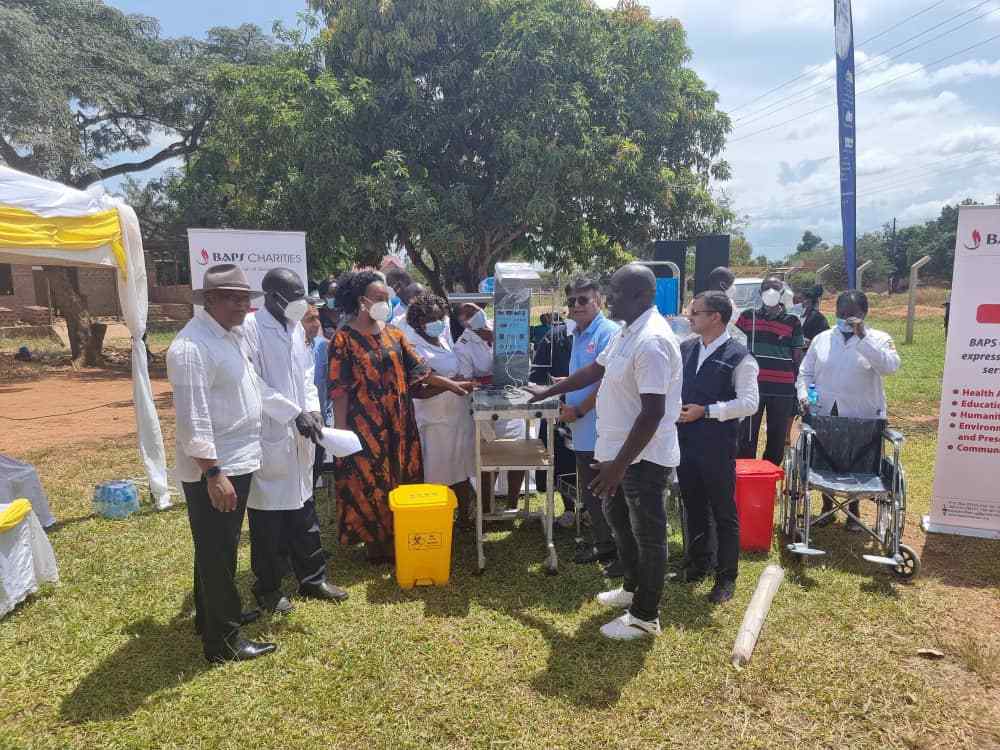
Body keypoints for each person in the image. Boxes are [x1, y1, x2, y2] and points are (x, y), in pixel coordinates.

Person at [529, 263, 682, 640]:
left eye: (615, 291)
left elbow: (653, 413)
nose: (608, 297)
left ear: (642, 296)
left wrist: (618, 467)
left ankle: (646, 616)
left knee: (648, 534)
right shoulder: (628, 332)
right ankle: (631, 587)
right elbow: (594, 372)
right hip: (613, 450)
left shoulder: (653, 341)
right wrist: (546, 392)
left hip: (642, 457)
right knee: (619, 522)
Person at [166, 264, 276, 663]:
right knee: (218, 551)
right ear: (209, 300)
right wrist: (213, 473)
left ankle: (212, 617)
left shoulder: (228, 336)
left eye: (245, 298)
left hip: (237, 460)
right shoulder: (191, 348)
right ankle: (224, 642)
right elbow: (192, 420)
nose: (241, 305)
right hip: (217, 468)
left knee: (216, 547)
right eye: (232, 297)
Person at [328, 271, 467, 563]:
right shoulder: (343, 339)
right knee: (368, 482)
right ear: (361, 301)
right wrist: (340, 433)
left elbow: (422, 373)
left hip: (400, 423)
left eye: (387, 299)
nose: (385, 303)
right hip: (363, 426)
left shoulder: (395, 334)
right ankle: (374, 545)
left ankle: (399, 535)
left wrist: (454, 385)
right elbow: (338, 390)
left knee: (400, 479)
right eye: (379, 299)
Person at [242, 269, 349, 613]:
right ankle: (269, 588)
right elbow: (252, 383)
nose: (302, 303)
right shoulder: (250, 330)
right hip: (271, 436)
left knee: (305, 511)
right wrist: (293, 413)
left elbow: (305, 376)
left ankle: (312, 579)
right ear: (273, 298)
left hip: (301, 435)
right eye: (295, 296)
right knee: (269, 519)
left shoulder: (296, 328)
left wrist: (313, 410)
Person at [676, 292, 760, 603]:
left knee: (723, 511)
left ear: (715, 317)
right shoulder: (685, 349)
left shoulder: (740, 357)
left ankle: (726, 577)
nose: (690, 317)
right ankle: (699, 563)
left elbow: (750, 403)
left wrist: (708, 411)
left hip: (716, 445)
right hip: (685, 442)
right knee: (693, 504)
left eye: (695, 313)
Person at [796, 290, 901, 531]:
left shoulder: (880, 339)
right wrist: (803, 394)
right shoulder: (822, 338)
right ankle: (826, 507)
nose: (845, 319)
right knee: (824, 458)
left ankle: (853, 511)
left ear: (864, 314)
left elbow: (890, 367)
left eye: (852, 314)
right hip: (824, 410)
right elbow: (806, 372)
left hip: (862, 414)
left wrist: (863, 338)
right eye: (841, 313)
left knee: (858, 461)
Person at [557, 277, 621, 573]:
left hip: (600, 427)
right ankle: (604, 544)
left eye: (584, 300)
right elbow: (585, 375)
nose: (577, 306)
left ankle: (620, 552)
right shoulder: (579, 333)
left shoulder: (609, 332)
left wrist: (580, 408)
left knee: (609, 492)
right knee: (592, 490)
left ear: (600, 301)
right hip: (582, 429)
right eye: (572, 301)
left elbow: (608, 380)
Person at [404, 294, 478, 526]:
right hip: (434, 421)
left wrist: (458, 383)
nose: (437, 321)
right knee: (437, 473)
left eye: (439, 316)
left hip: (458, 416)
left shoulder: (442, 339)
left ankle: (464, 518)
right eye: (430, 318)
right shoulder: (414, 346)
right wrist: (451, 385)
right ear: (417, 322)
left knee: (461, 468)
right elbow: (418, 389)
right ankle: (437, 521)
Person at [453, 303, 527, 509]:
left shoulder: (500, 327)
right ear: (463, 321)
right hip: (486, 408)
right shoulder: (463, 345)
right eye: (468, 314)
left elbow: (520, 357)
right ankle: (486, 507)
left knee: (518, 453)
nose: (475, 314)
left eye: (475, 309)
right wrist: (497, 377)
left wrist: (497, 338)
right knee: (489, 457)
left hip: (513, 401)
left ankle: (512, 504)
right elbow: (468, 381)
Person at [735, 276, 805, 467]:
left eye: (775, 288)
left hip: (782, 388)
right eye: (767, 288)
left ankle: (769, 474)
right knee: (747, 435)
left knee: (777, 436)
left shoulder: (793, 321)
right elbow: (736, 343)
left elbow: (797, 356)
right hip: (753, 386)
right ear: (760, 293)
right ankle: (746, 475)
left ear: (782, 293)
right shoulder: (748, 317)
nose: (771, 291)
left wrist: (797, 386)